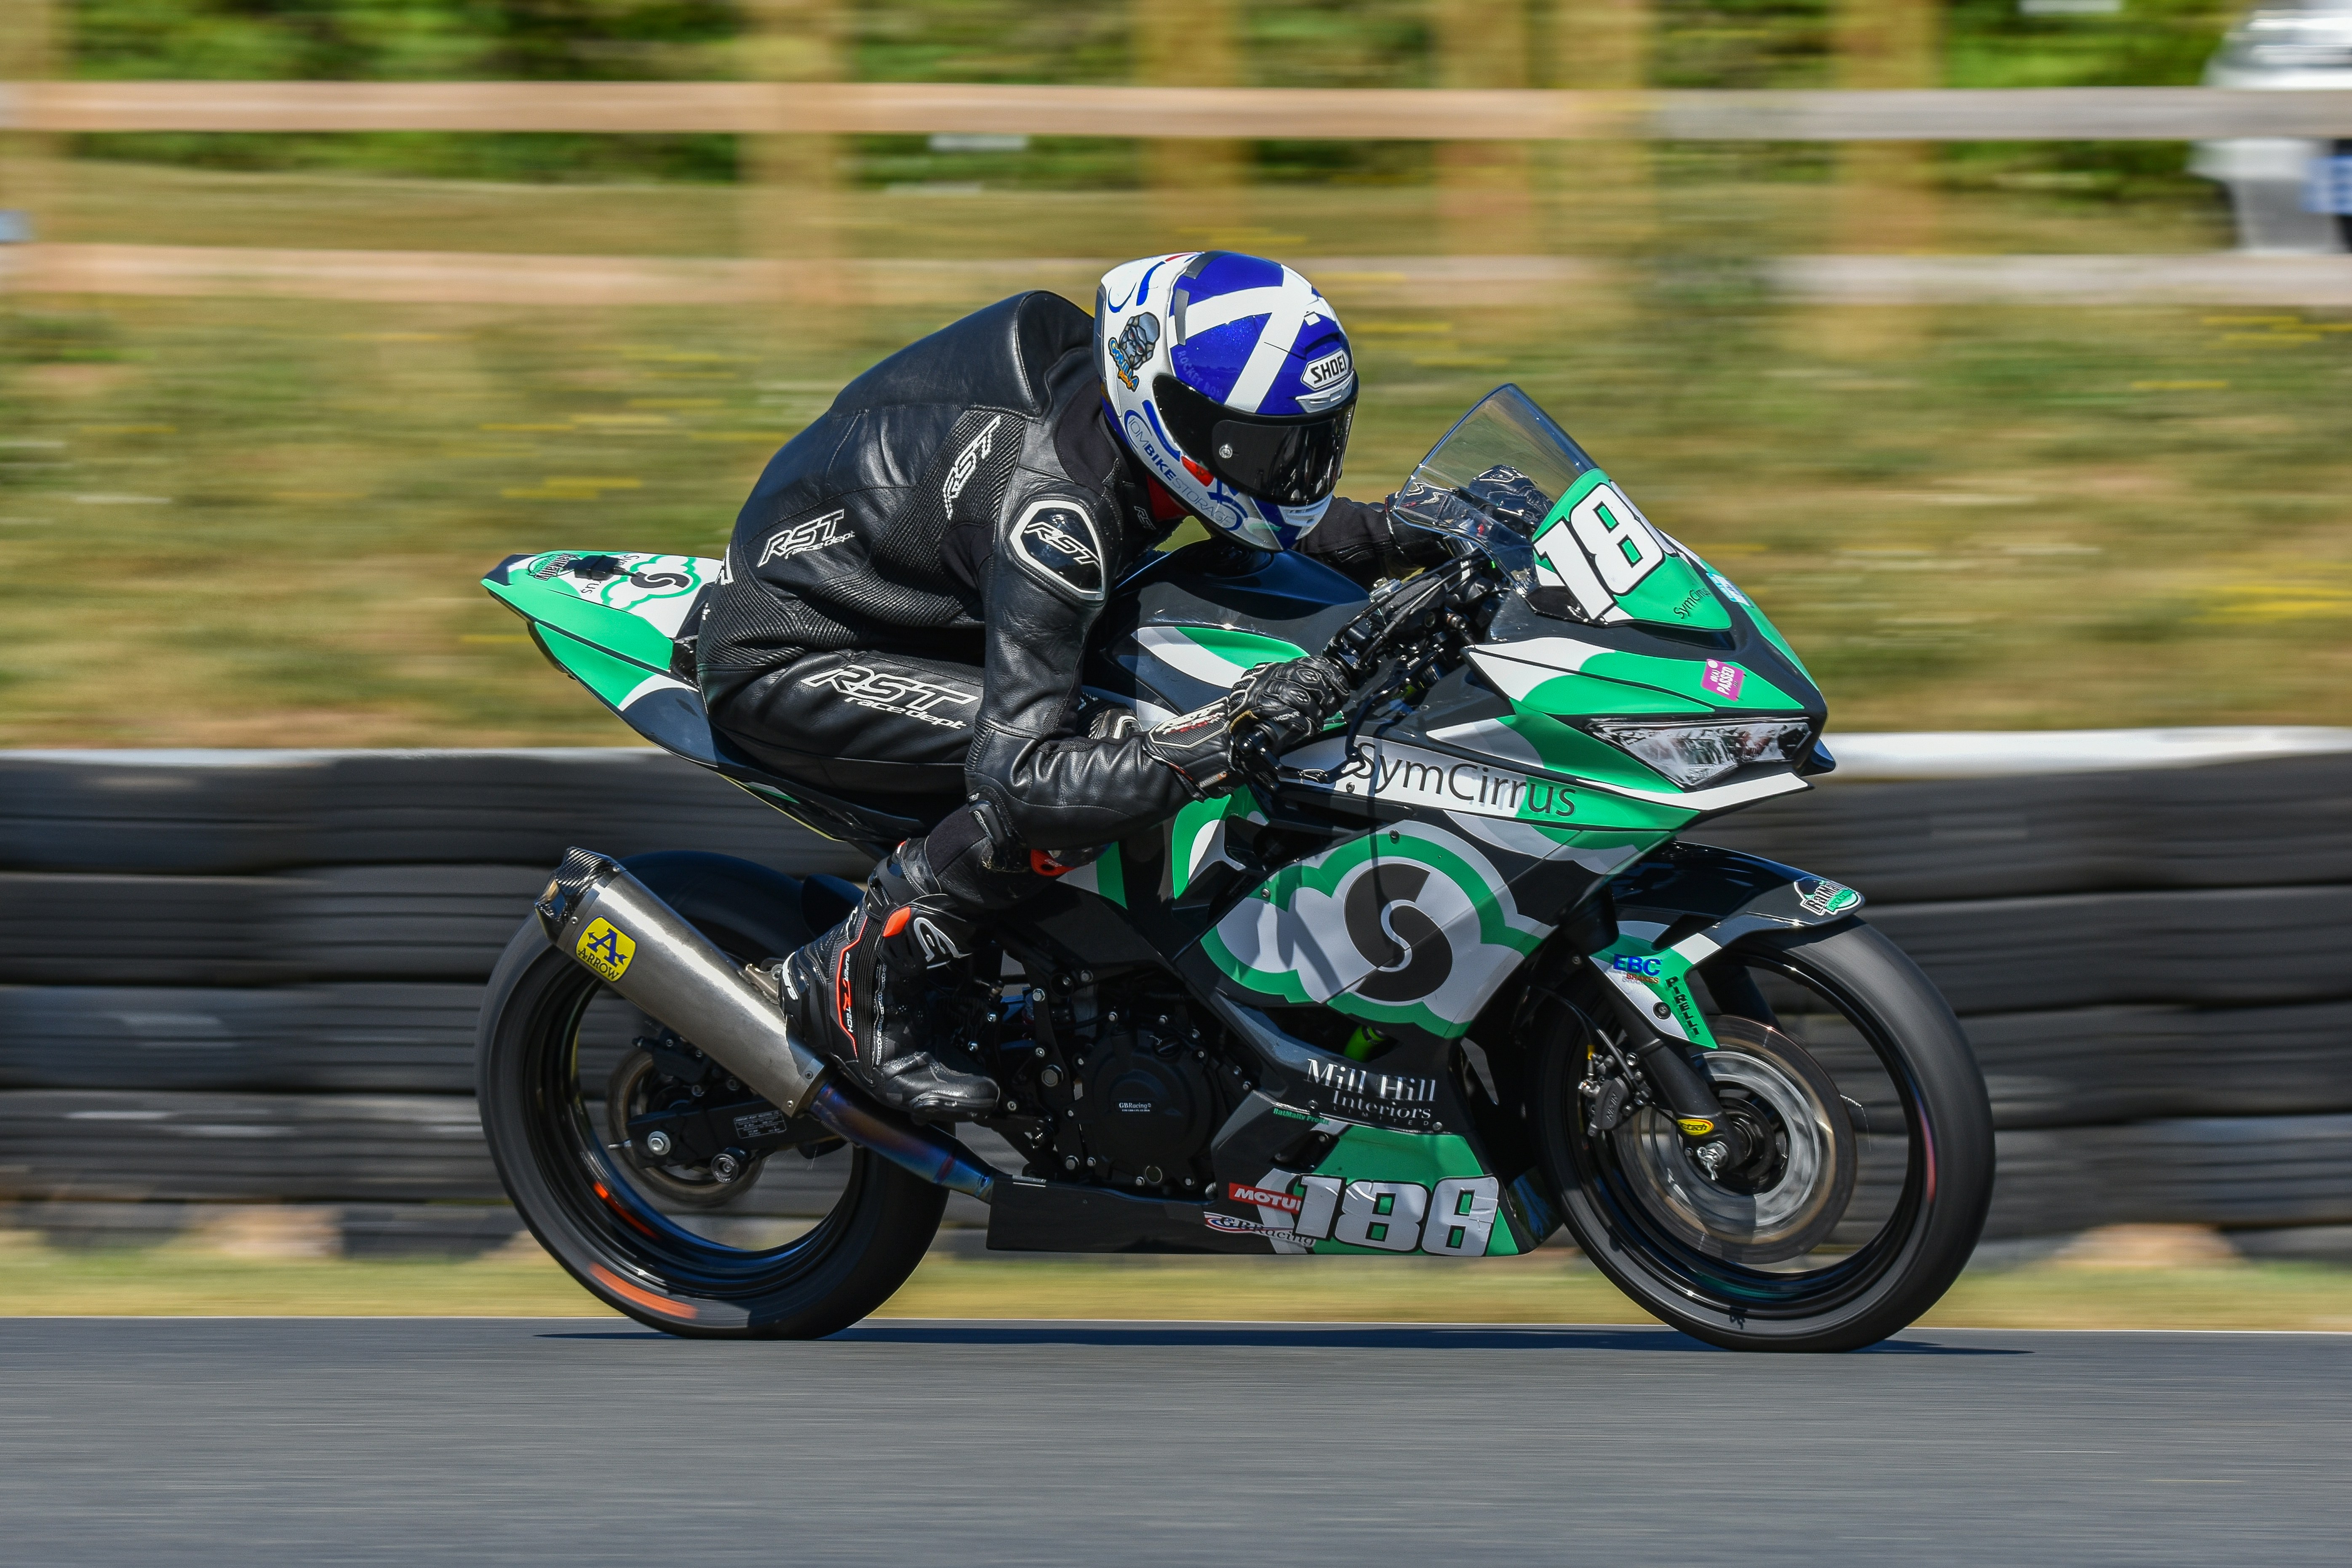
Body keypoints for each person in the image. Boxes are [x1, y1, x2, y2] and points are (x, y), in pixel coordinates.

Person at [695, 252, 1447, 1115]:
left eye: (1312, 444)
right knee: (1104, 755)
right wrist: (1225, 733)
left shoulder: (1129, 423)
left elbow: (1265, 521)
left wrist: (1408, 527)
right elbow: (1021, 775)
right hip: (799, 648)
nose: (1295, 473)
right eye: (1271, 448)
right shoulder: (1059, 519)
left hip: (924, 606)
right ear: (1179, 421)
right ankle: (860, 969)